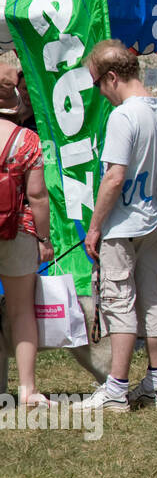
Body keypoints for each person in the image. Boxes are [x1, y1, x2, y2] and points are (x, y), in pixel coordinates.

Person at [74, 41, 157, 413]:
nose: (99, 93)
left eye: (97, 84)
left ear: (112, 77)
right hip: (153, 218)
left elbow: (115, 176)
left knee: (119, 304)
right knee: (153, 300)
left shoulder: (123, 116)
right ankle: (154, 384)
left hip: (121, 224)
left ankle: (116, 390)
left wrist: (94, 227)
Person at [0, 109, 54, 408]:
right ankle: (27, 390)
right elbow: (37, 196)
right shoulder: (27, 139)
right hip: (17, 231)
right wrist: (44, 239)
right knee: (21, 312)